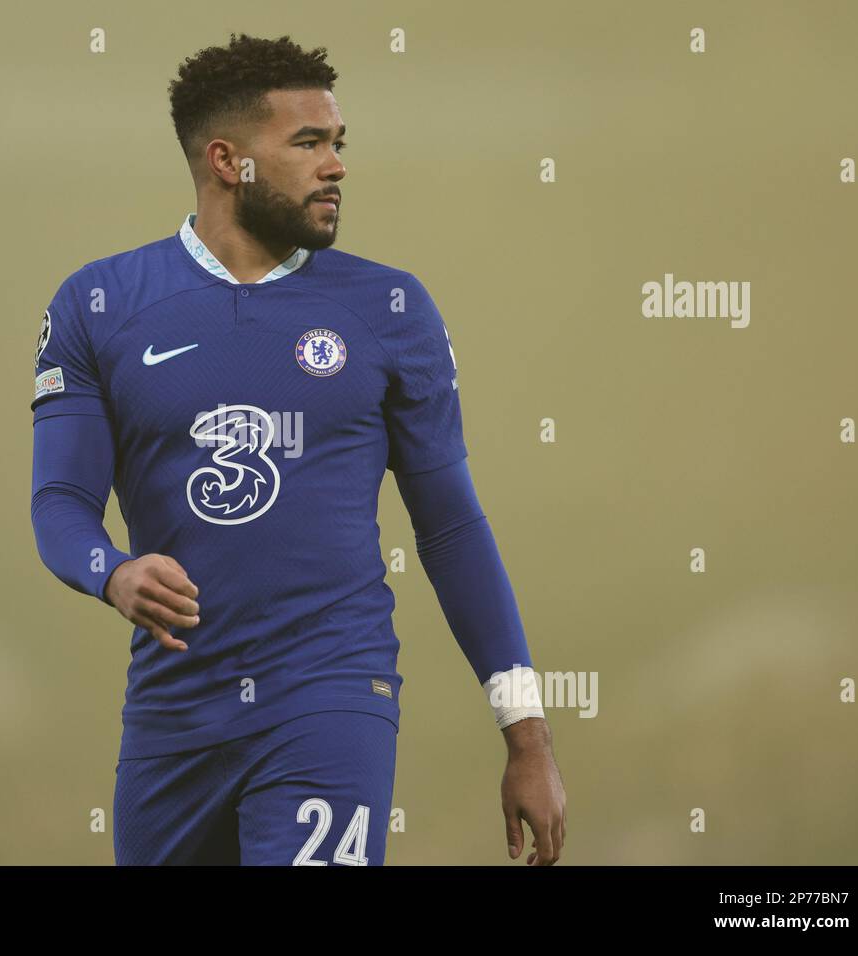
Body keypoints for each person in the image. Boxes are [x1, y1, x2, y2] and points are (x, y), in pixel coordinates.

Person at [31, 33, 566, 865]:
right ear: (227, 161)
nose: (336, 165)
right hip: (172, 714)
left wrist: (525, 733)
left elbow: (451, 526)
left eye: (338, 142)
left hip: (332, 695)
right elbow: (61, 503)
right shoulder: (98, 305)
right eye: (309, 143)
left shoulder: (391, 309)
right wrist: (113, 573)